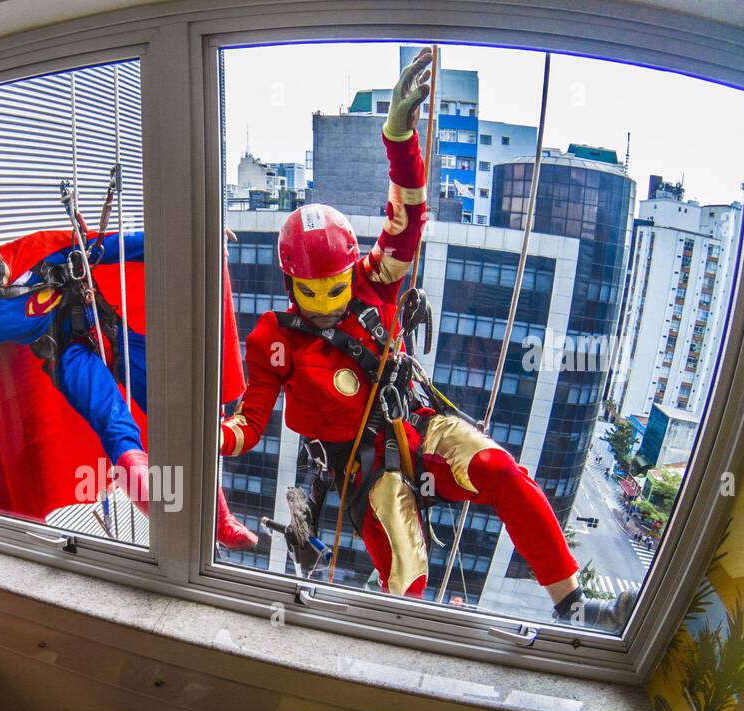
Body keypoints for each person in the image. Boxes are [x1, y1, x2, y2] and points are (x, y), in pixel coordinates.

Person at [217, 47, 632, 631]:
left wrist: (399, 136)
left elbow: (407, 216)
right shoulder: (273, 340)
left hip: (415, 420)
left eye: (335, 285)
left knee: (502, 472)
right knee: (408, 572)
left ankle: (574, 605)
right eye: (313, 291)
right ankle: (395, 655)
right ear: (291, 283)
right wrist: (213, 438)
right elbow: (251, 422)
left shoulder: (374, 279)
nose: (330, 302)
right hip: (361, 465)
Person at [0, 211, 257, 549]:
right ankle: (165, 510)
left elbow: (115, 248)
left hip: (112, 333)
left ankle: (221, 520)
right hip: (69, 355)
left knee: (177, 411)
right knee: (112, 421)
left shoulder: (41, 250)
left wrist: (192, 238)